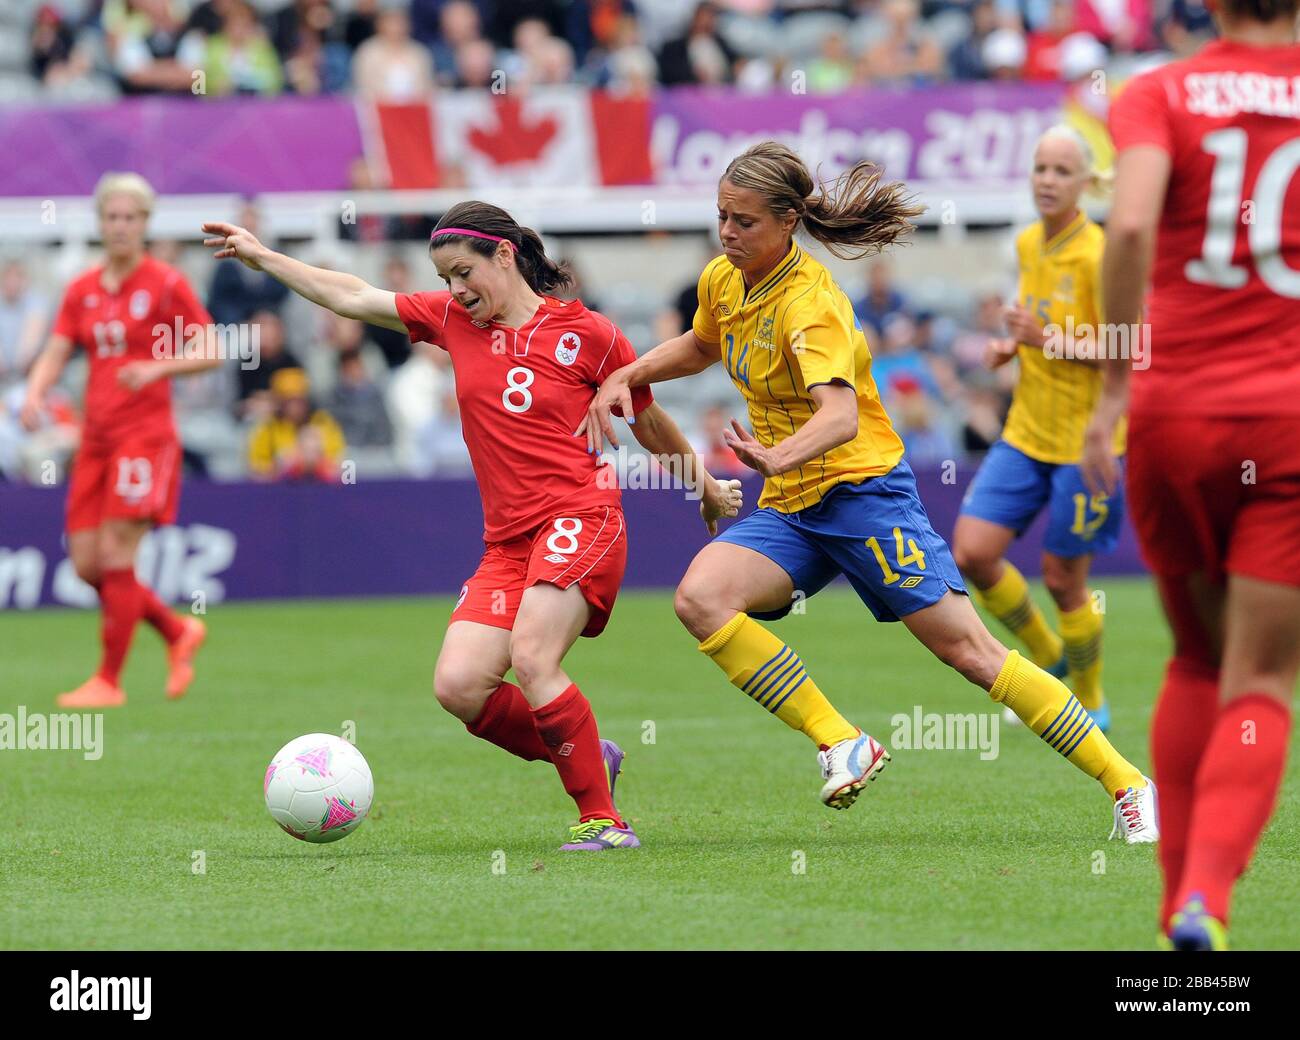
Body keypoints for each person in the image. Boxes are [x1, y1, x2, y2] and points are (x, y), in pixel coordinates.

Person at [582, 142, 1157, 842]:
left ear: (788, 222)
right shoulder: (723, 280)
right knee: (702, 598)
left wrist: (777, 454)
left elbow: (841, 414)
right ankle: (841, 741)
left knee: (972, 655)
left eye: (744, 222)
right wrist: (629, 374)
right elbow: (704, 345)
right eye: (721, 217)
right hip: (795, 504)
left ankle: (1127, 782)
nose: (728, 233)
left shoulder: (811, 304)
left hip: (863, 495)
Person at [202, 201, 743, 851]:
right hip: (508, 543)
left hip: (582, 514)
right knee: (460, 687)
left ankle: (604, 820)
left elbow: (647, 422)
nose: (456, 289)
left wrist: (705, 487)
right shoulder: (452, 320)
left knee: (534, 656)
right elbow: (351, 295)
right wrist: (264, 256)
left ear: (504, 256)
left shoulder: (589, 334)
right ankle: (588, 752)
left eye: (463, 271)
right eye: (445, 277)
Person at [1083, 0, 1300, 950]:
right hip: (1291, 418)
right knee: (1264, 674)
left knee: (1196, 658)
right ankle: (1202, 897)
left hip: (1174, 414)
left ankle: (1174, 909)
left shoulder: (1158, 90)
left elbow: (1129, 229)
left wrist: (1112, 388)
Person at [20, 172, 214, 707]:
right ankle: (177, 632)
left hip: (145, 438)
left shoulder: (166, 283)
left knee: (115, 554)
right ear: (100, 222)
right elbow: (59, 349)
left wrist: (158, 369)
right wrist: (35, 392)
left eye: (131, 218)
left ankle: (109, 681)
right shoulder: (82, 288)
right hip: (96, 439)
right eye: (113, 217)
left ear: (145, 224)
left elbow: (212, 348)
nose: (121, 226)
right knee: (85, 564)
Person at [952, 125, 1121, 734]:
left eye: (1061, 171)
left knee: (1062, 578)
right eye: (1041, 169)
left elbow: (1131, 349)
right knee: (971, 552)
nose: (1047, 180)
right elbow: (1038, 326)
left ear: (1084, 183)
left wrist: (1040, 339)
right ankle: (1049, 663)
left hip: (1089, 441)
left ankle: (1092, 699)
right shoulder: (1027, 244)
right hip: (1026, 431)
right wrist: (1009, 348)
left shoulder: (1102, 255)